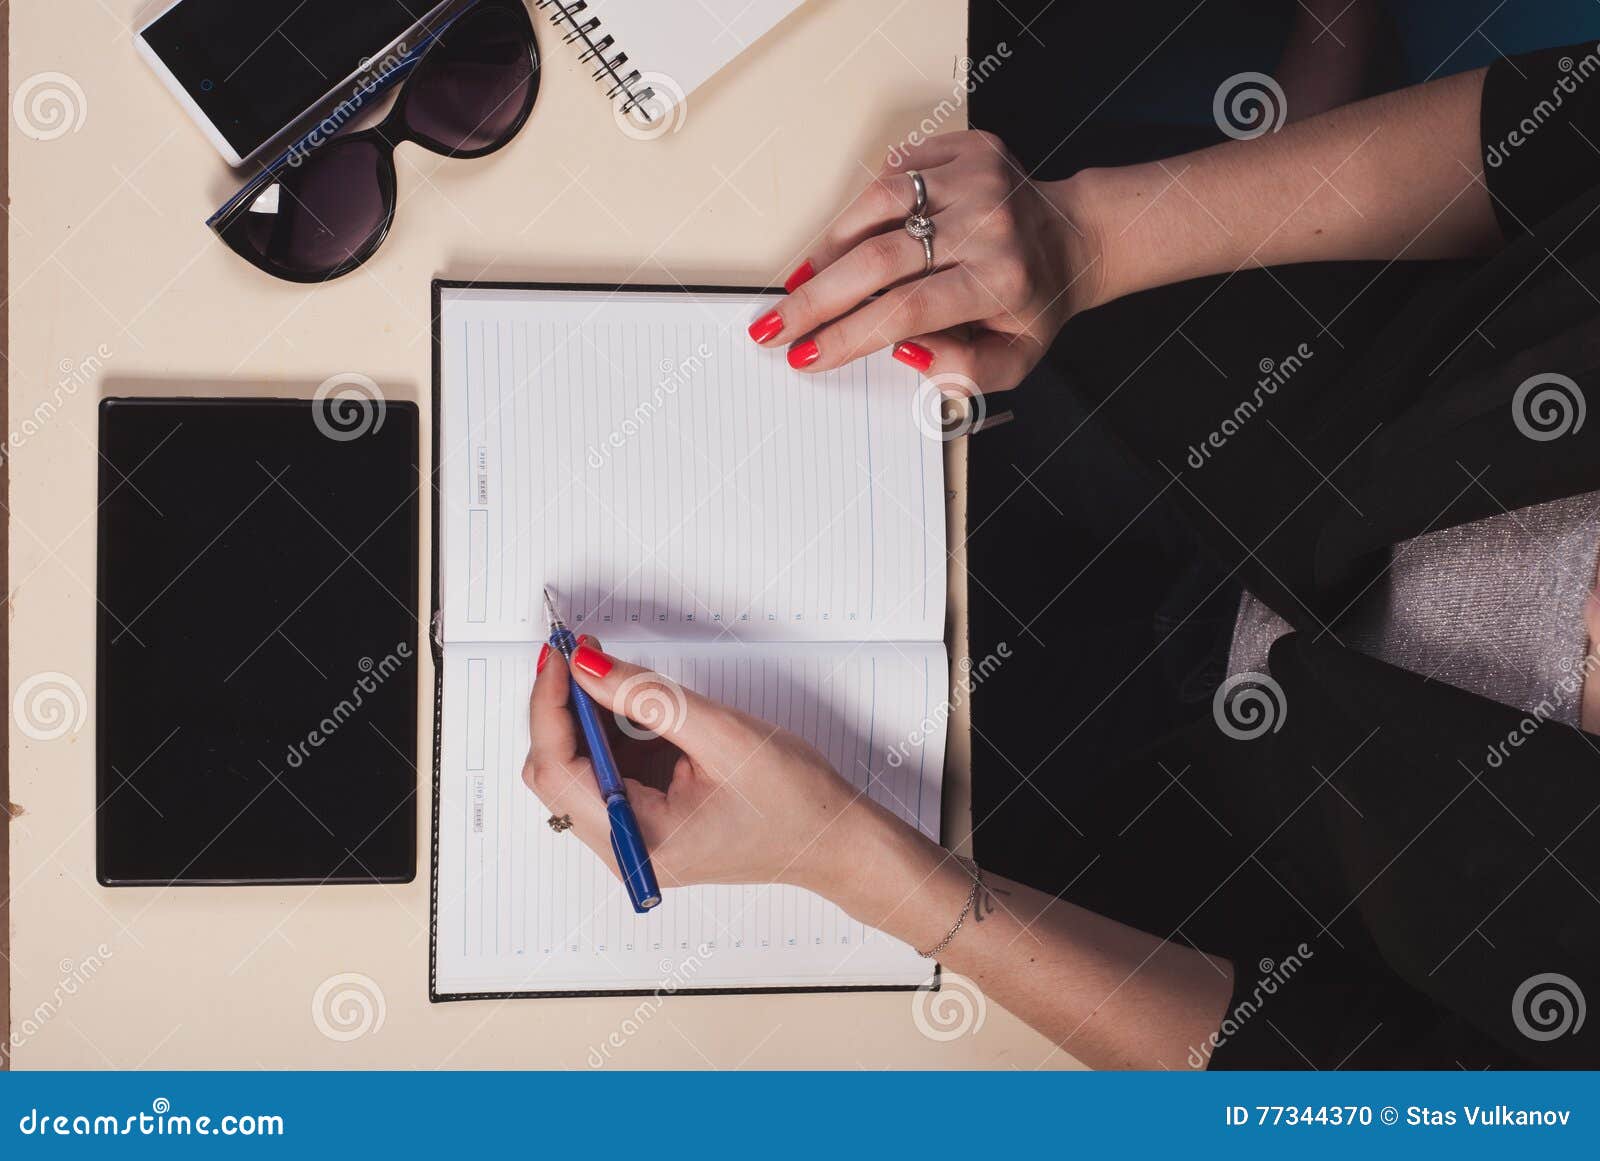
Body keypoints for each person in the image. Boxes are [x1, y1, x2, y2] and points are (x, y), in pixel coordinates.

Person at [525, 43, 1600, 1068]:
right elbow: (1546, 142)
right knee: (862, 283)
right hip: (1277, 398)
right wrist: (1082, 237)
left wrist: (848, 862)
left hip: (1200, 874)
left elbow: (1336, 1092)